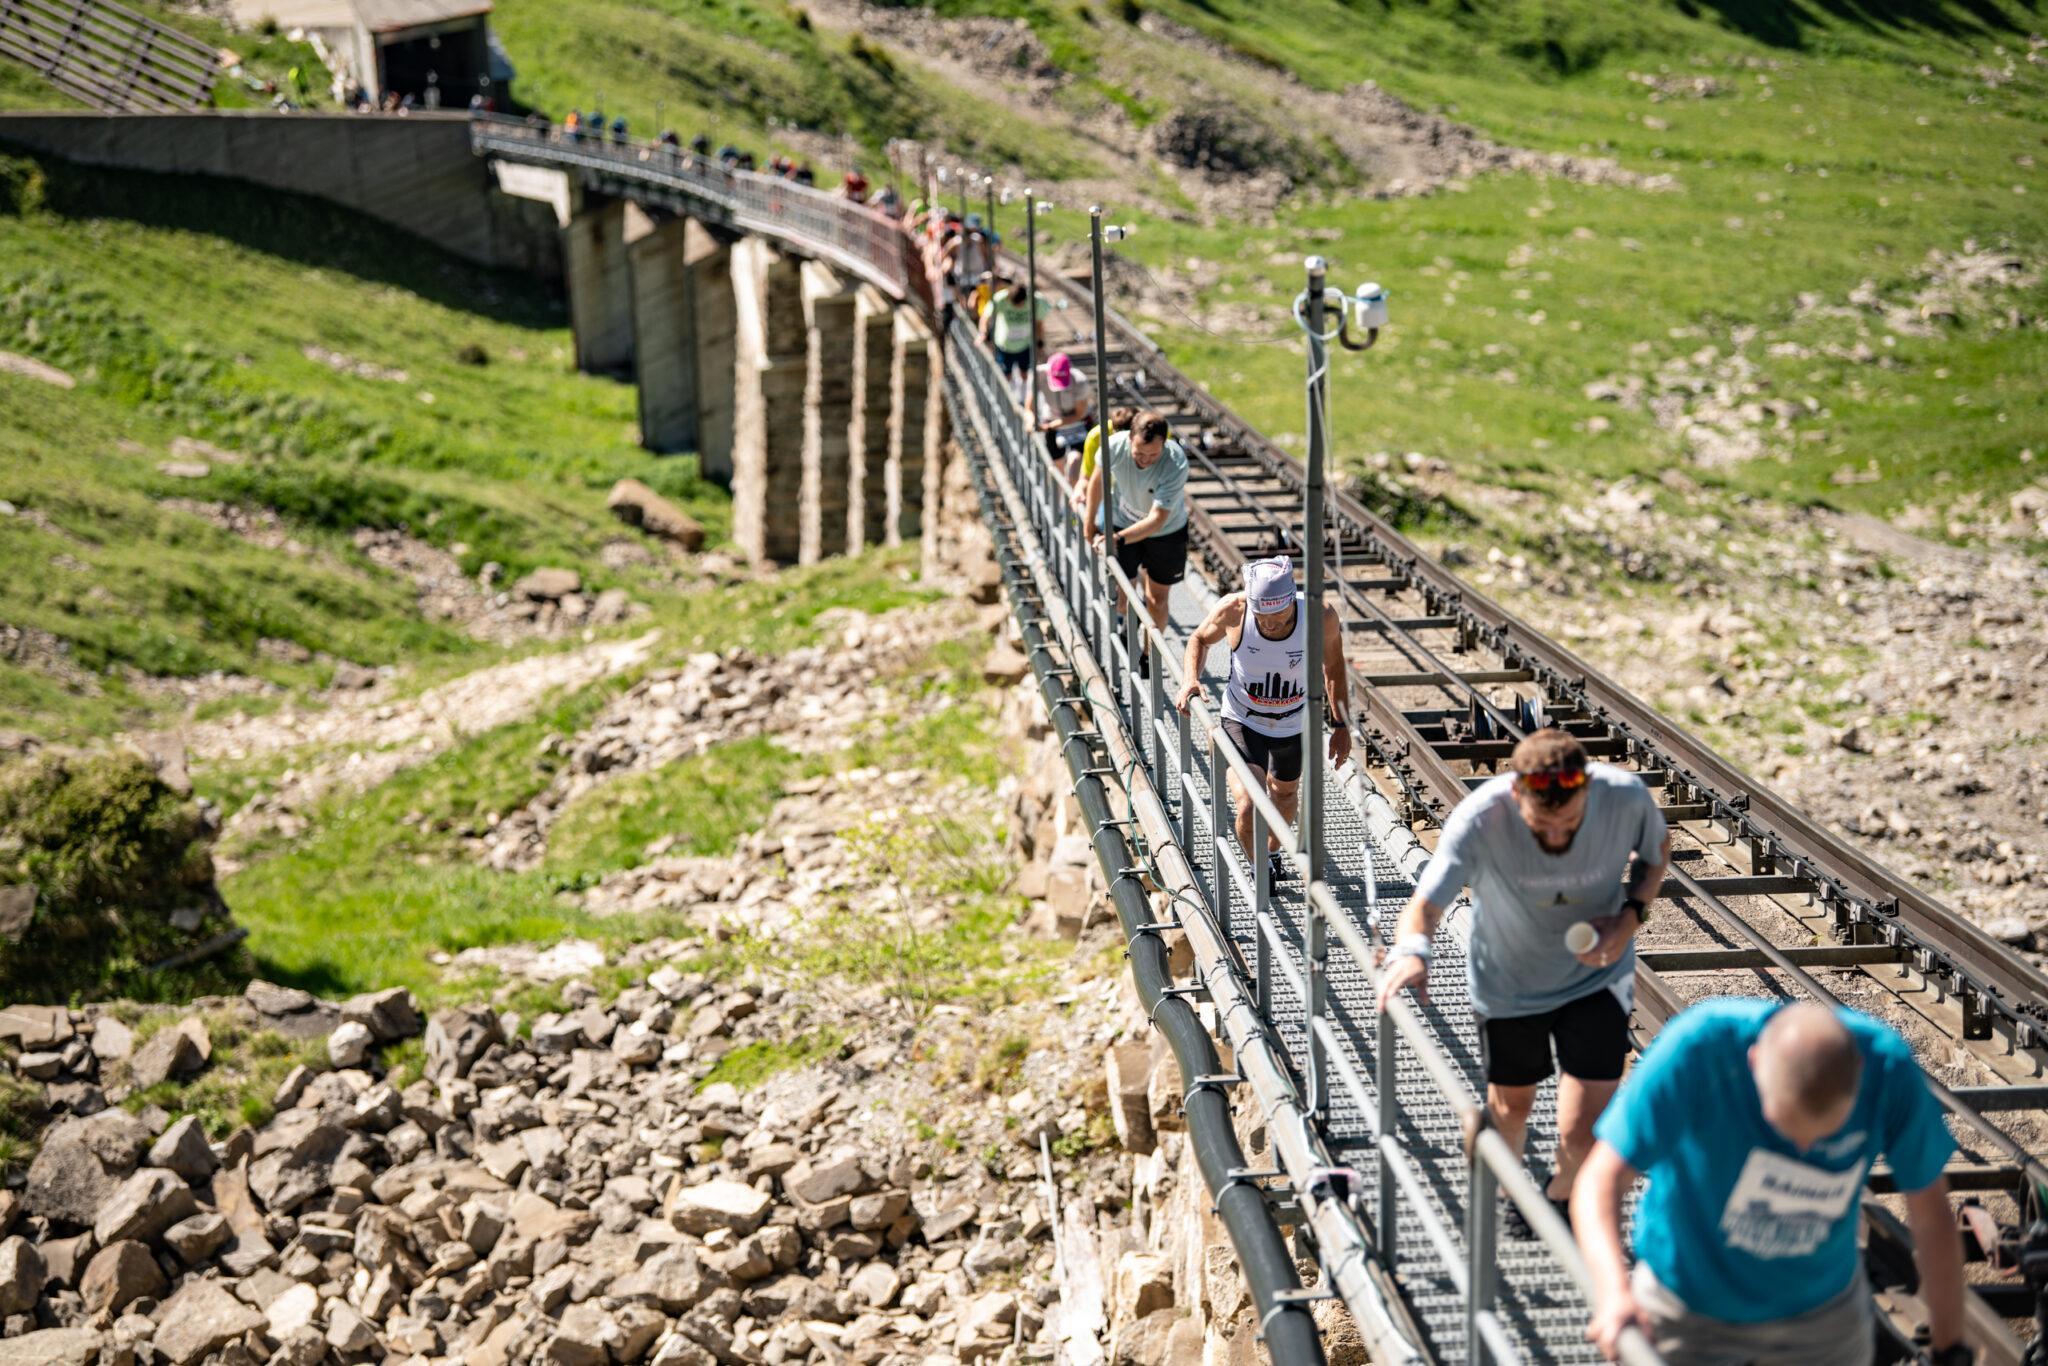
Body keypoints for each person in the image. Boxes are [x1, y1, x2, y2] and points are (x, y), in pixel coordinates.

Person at [1375, 727, 1671, 1237]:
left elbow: (1656, 854)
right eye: (1542, 827)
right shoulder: (1480, 818)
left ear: (1588, 793)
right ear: (1517, 794)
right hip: (1508, 984)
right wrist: (1412, 952)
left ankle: (1557, 1197)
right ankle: (1509, 1184)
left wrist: (1630, 918)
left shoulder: (1623, 798)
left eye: (1570, 825)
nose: (1556, 839)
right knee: (1513, 1109)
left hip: (1595, 979)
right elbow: (1423, 906)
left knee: (1586, 1131)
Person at [1575, 999, 1967, 1366]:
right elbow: (1599, 1181)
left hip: (1819, 1315)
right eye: (1785, 1129)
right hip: (1687, 1306)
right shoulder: (1698, 1051)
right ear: (1754, 1062)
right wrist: (1613, 1293)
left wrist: (1949, 1348)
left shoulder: (1889, 1071)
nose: (1802, 1148)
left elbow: (1931, 1215)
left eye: (1823, 1136)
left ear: (1860, 1073)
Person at [1175, 556, 1351, 883]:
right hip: (1243, 720)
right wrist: (1190, 678)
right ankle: (1259, 868)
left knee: (1284, 796)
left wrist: (1341, 726)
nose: (1268, 625)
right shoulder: (1236, 610)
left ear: (1291, 603)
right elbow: (1199, 638)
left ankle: (1270, 851)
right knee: (1248, 805)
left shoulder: (1319, 617)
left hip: (1292, 723)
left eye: (1277, 617)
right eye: (1262, 617)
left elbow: (1334, 667)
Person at [1084, 411, 1188, 648]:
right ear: (1129, 439)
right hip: (1124, 520)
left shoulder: (1175, 462)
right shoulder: (1114, 447)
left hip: (1166, 532)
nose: (1145, 460)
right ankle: (1129, 622)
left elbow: (1157, 519)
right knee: (1123, 600)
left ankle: (1149, 654)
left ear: (1164, 444)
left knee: (1157, 601)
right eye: (1139, 453)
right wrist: (1089, 524)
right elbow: (1097, 482)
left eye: (1153, 455)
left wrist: (1118, 539)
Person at [981, 281, 1045, 398]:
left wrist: (1040, 341)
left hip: (1025, 344)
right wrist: (983, 333)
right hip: (1005, 346)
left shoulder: (1035, 301)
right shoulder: (1000, 299)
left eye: (1020, 305)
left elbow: (1039, 322)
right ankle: (1009, 396)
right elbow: (985, 316)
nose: (1018, 308)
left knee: (1025, 371)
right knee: (1006, 374)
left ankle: (1024, 394)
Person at [1036, 353, 1094, 468]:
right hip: (1051, 419)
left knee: (1075, 463)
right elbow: (1029, 404)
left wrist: (1055, 424)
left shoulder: (1080, 381)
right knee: (1056, 465)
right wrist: (1031, 420)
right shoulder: (1038, 374)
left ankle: (1072, 483)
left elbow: (1079, 413)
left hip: (1077, 422)